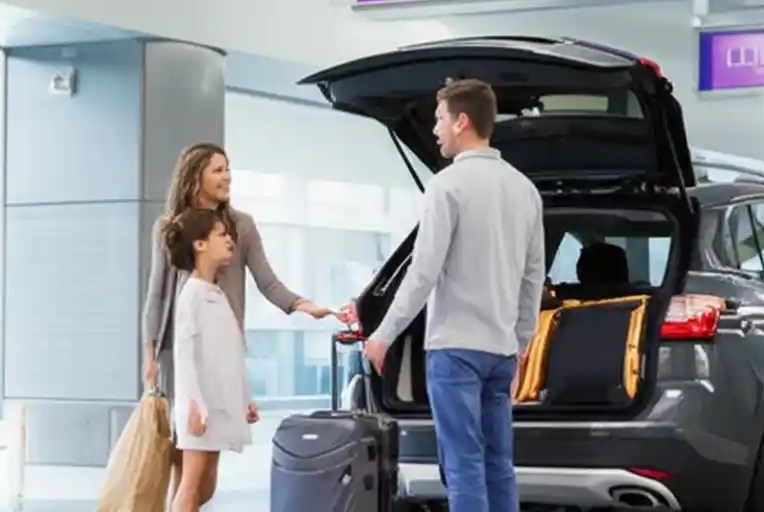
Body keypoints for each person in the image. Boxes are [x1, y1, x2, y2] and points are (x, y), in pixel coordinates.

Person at [363, 79, 546, 512]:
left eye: (440, 119)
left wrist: (384, 334)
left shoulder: (447, 186)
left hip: (456, 350)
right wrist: (522, 342)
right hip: (501, 352)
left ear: (462, 121)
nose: (435, 130)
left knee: (463, 467)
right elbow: (533, 276)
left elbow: (423, 271)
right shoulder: (525, 190)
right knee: (499, 465)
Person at [142, 143, 344, 502]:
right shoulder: (168, 229)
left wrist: (302, 304)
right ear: (194, 177)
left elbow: (267, 280)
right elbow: (156, 297)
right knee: (185, 463)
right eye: (217, 170)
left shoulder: (241, 227)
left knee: (204, 474)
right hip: (178, 354)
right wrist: (150, 355)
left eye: (228, 169)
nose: (227, 177)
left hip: (221, 354)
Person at [162, 208, 257, 511]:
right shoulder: (192, 295)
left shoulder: (215, 294)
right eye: (221, 234)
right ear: (199, 244)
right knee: (191, 486)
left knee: (205, 486)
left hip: (217, 404)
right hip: (200, 406)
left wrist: (245, 398)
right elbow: (185, 354)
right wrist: (193, 402)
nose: (229, 239)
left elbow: (231, 353)